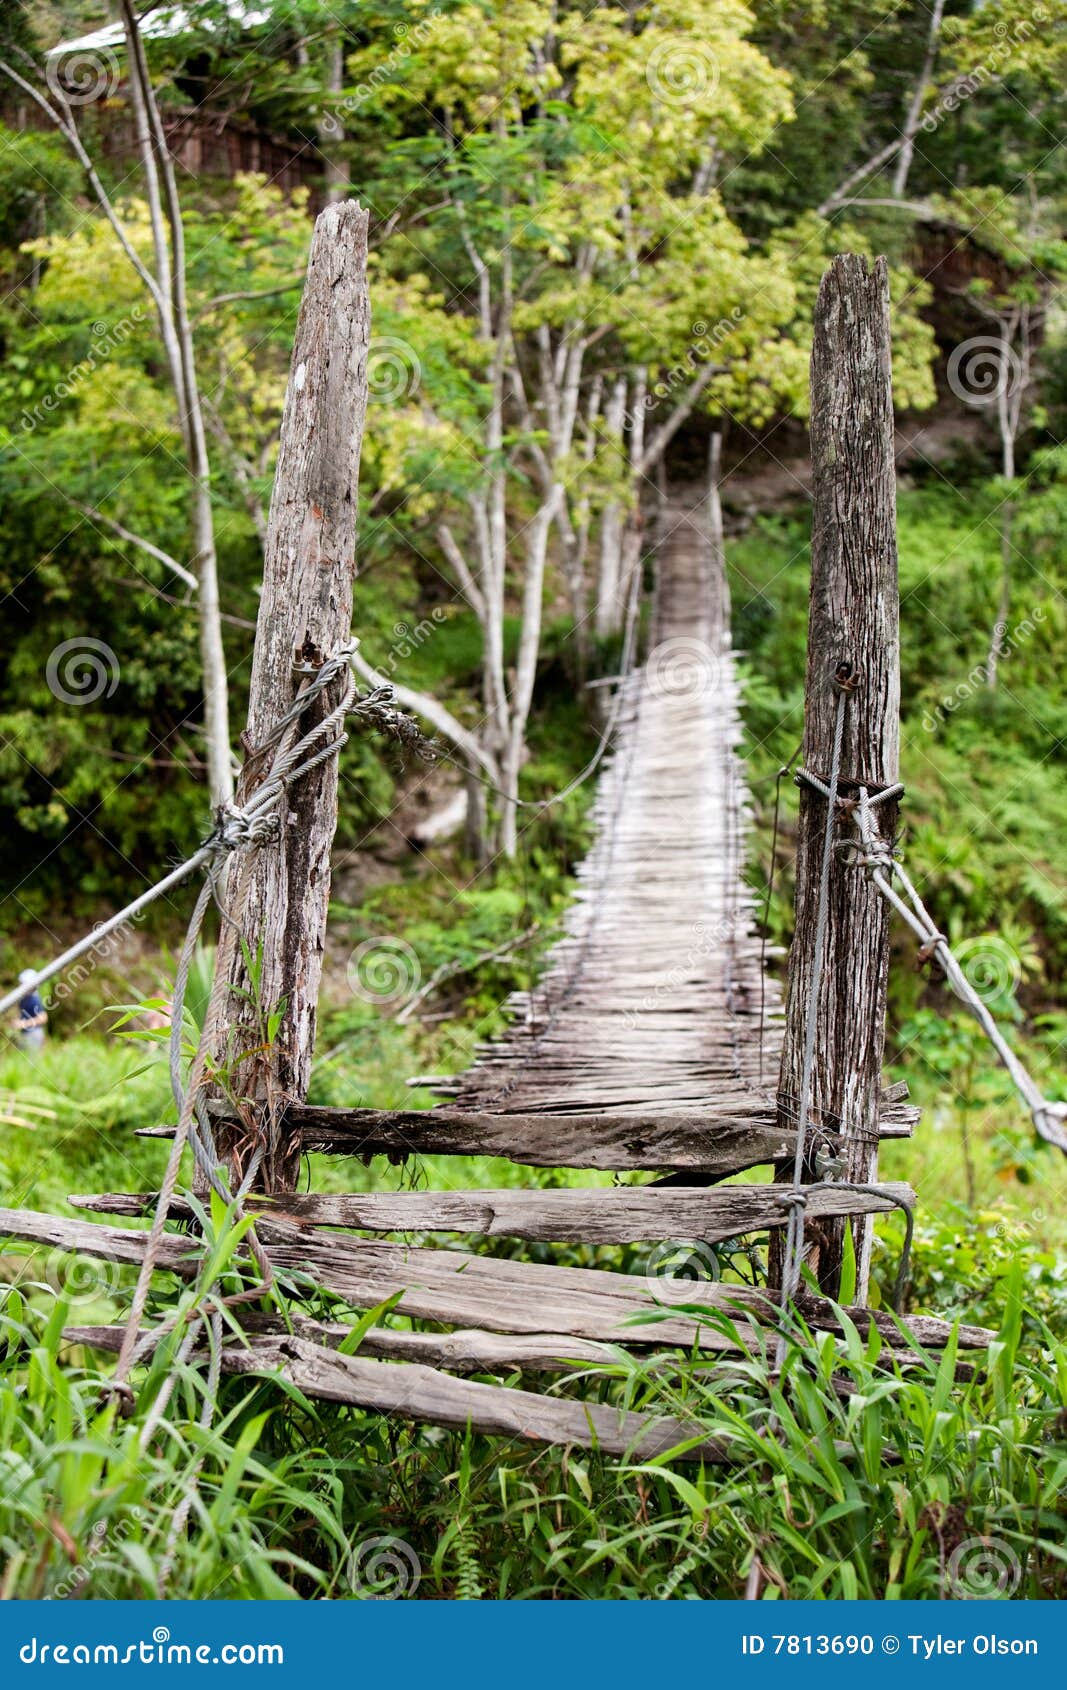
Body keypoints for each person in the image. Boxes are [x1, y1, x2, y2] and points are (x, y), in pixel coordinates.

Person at [14, 969, 47, 1052]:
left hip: (34, 1033)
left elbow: (43, 1018)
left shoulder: (34, 999)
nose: (20, 985)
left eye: (22, 983)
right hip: (25, 1034)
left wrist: (24, 1024)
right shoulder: (24, 998)